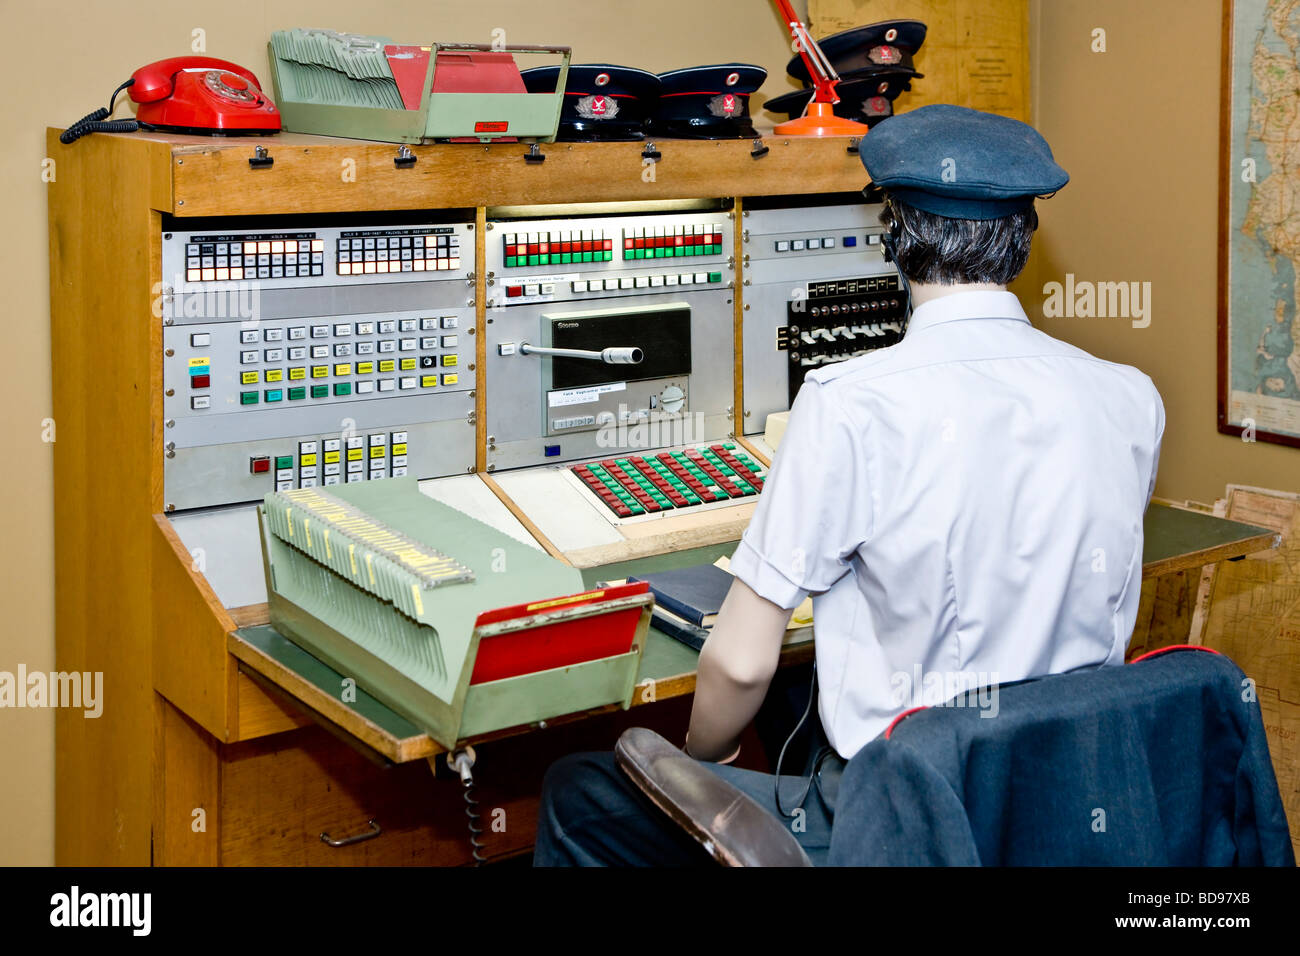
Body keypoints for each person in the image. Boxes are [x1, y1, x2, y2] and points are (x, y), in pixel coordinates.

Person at [533, 104, 1166, 866]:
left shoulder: (849, 401)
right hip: (1060, 811)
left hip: (901, 824)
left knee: (579, 785)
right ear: (1024, 239)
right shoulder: (1131, 393)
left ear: (892, 237)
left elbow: (740, 663)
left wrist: (710, 765)